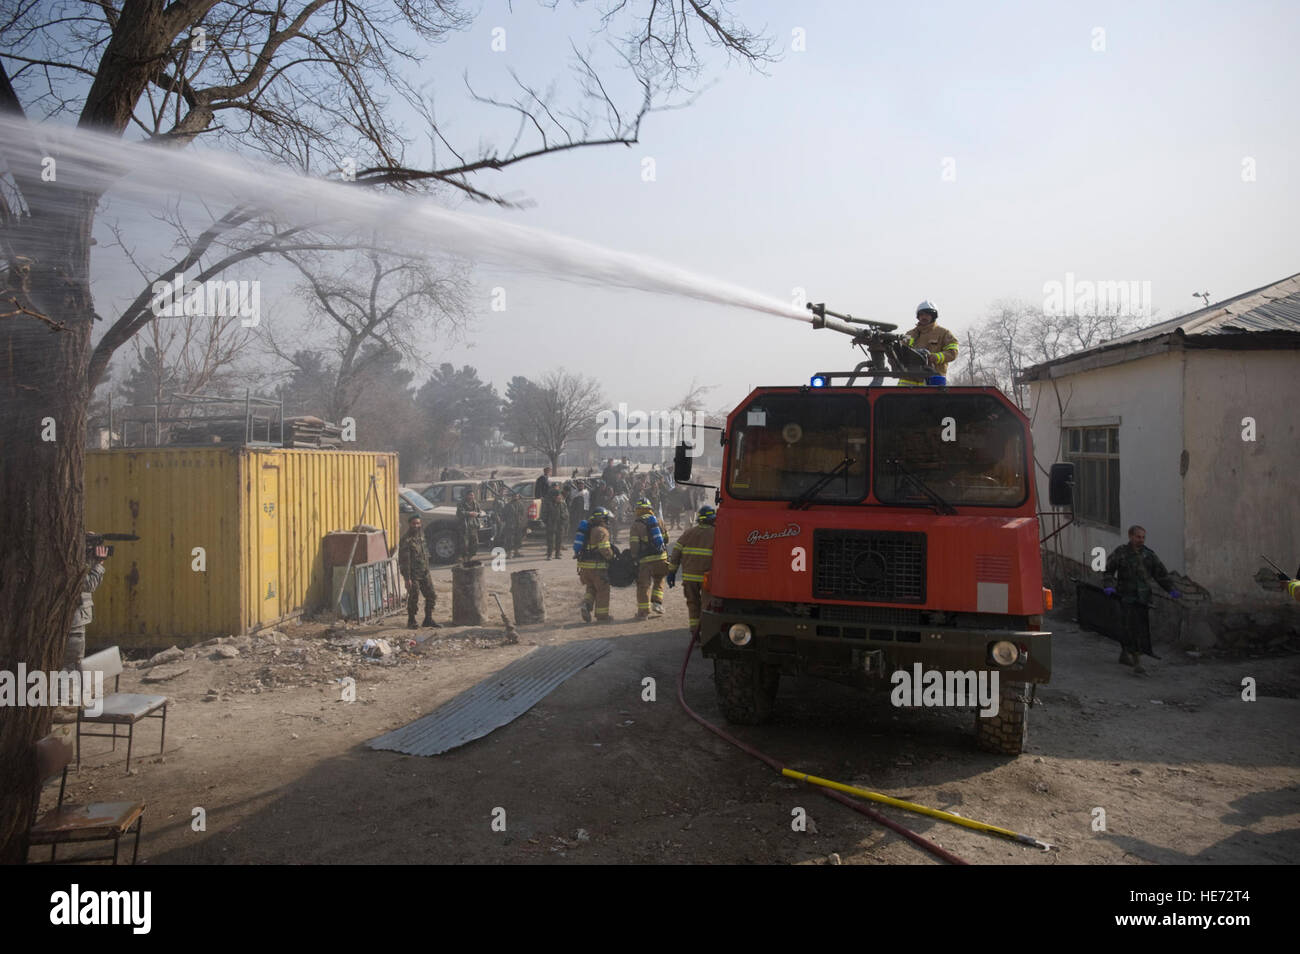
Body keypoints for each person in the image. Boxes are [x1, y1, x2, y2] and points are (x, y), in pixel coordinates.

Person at [1104, 525, 1181, 674]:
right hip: (1126, 596)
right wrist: (1109, 585)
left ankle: (1134, 657)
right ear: (1130, 536)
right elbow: (1109, 571)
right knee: (1127, 626)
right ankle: (1130, 656)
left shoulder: (1149, 555)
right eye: (1138, 537)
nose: (1141, 540)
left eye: (1143, 537)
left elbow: (1161, 575)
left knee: (1139, 628)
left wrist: (1171, 589)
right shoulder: (1121, 553)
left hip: (1143, 599)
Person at [666, 505, 716, 639]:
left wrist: (671, 572)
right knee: (707, 606)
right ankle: (706, 633)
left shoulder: (688, 533)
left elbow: (676, 552)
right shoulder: (717, 533)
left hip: (689, 578)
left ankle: (695, 634)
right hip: (708, 578)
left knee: (693, 604)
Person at [900, 300, 959, 385]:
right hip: (909, 382)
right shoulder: (909, 334)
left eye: (927, 314)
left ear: (933, 316)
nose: (924, 317)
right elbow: (900, 353)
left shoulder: (944, 333)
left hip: (933, 380)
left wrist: (936, 357)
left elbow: (953, 352)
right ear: (918, 316)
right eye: (921, 314)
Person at [629, 497, 670, 618]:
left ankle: (643, 612)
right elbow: (666, 539)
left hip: (645, 560)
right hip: (661, 558)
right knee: (659, 579)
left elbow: (634, 544)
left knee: (643, 585)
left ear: (638, 511)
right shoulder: (659, 521)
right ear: (650, 509)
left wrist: (634, 557)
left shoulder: (636, 525)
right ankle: (657, 603)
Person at [397, 515, 440, 629]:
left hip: (424, 573)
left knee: (431, 595)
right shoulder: (406, 540)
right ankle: (411, 620)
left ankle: (428, 619)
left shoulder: (421, 537)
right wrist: (407, 578)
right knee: (414, 597)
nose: (416, 526)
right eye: (414, 524)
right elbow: (404, 562)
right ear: (410, 525)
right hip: (413, 575)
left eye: (418, 523)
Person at [577, 507, 615, 623]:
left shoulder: (587, 530)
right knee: (603, 590)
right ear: (601, 519)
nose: (607, 521)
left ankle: (586, 605)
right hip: (597, 568)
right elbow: (604, 549)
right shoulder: (601, 531)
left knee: (591, 588)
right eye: (605, 519)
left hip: (584, 568)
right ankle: (602, 617)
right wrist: (612, 557)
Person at [541, 486, 569, 559]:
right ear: (553, 497)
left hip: (560, 524)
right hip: (551, 524)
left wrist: (564, 520)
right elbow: (543, 514)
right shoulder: (548, 504)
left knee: (559, 540)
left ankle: (557, 554)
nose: (559, 497)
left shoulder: (562, 504)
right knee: (550, 540)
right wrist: (547, 521)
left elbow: (566, 513)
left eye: (559, 496)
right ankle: (549, 555)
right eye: (557, 496)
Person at [457, 490, 480, 565]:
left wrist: (477, 514)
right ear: (467, 495)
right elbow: (459, 513)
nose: (472, 496)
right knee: (464, 544)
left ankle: (470, 557)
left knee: (475, 543)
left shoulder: (475, 503)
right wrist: (469, 513)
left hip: (473, 525)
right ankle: (464, 559)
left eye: (473, 495)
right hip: (465, 526)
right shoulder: (461, 503)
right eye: (470, 495)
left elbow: (479, 512)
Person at [509, 491, 528, 558]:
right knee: (510, 539)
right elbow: (504, 515)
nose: (515, 497)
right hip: (511, 524)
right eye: (514, 496)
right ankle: (509, 554)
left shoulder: (521, 504)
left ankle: (516, 552)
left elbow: (523, 514)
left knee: (518, 539)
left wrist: (523, 523)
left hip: (519, 524)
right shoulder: (508, 505)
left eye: (517, 496)